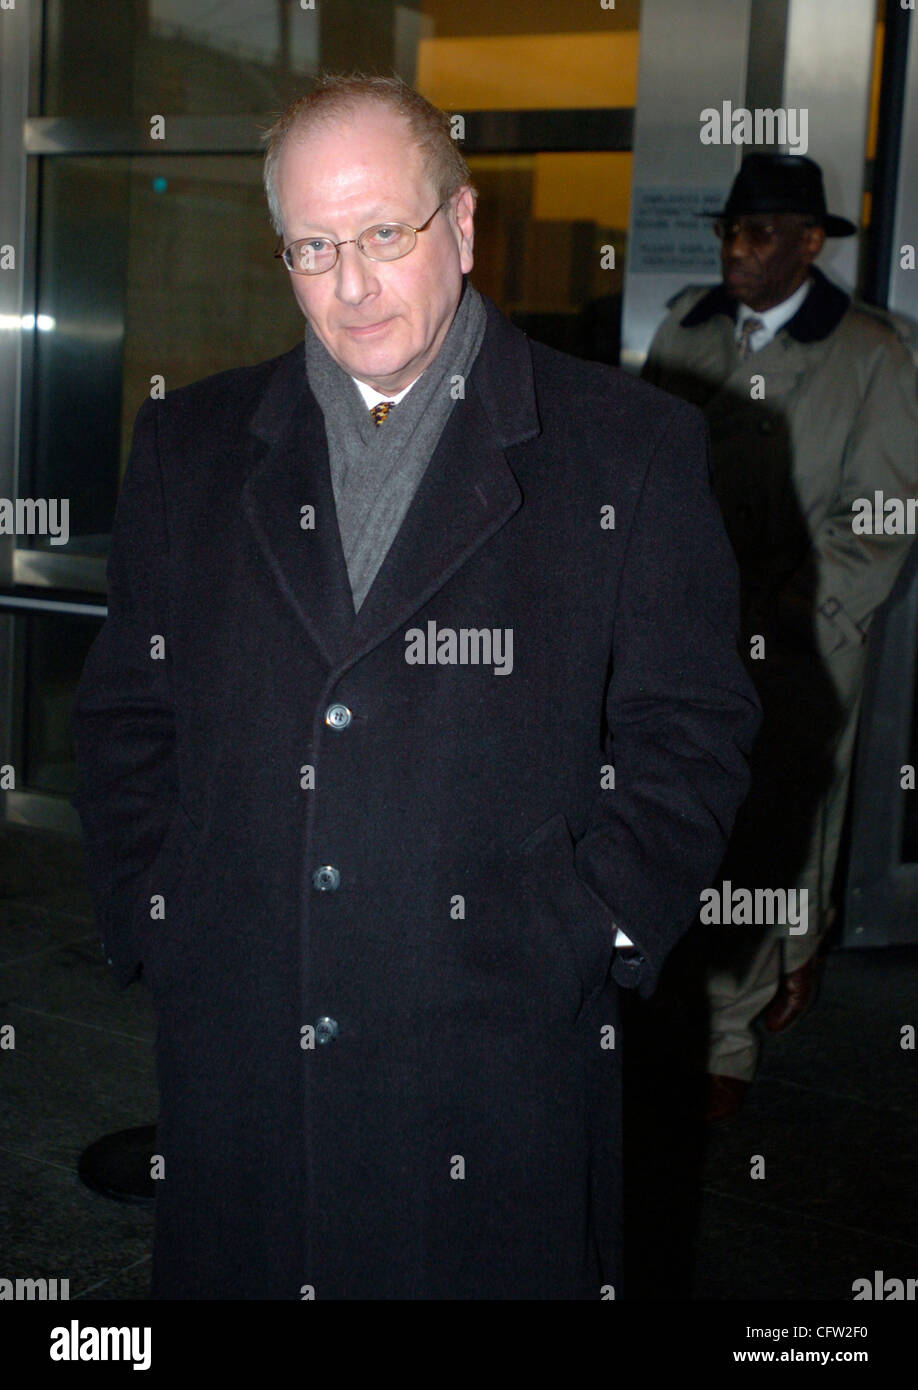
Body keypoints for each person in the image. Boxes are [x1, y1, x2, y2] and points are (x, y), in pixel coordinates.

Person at [72, 73, 760, 1299]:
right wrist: (163, 915)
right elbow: (129, 713)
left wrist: (586, 929)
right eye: (313, 246)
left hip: (494, 1054)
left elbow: (693, 728)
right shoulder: (191, 446)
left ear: (462, 225)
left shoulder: (624, 447)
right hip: (245, 1047)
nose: (351, 284)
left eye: (384, 233)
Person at [643, 153, 918, 1120]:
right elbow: (646, 475)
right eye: (729, 232)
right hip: (687, 625)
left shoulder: (873, 353)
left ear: (809, 242)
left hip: (801, 633)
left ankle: (733, 1031)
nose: (737, 252)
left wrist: (799, 618)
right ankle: (768, 966)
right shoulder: (689, 328)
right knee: (688, 808)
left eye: (760, 234)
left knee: (778, 822)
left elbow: (883, 516)